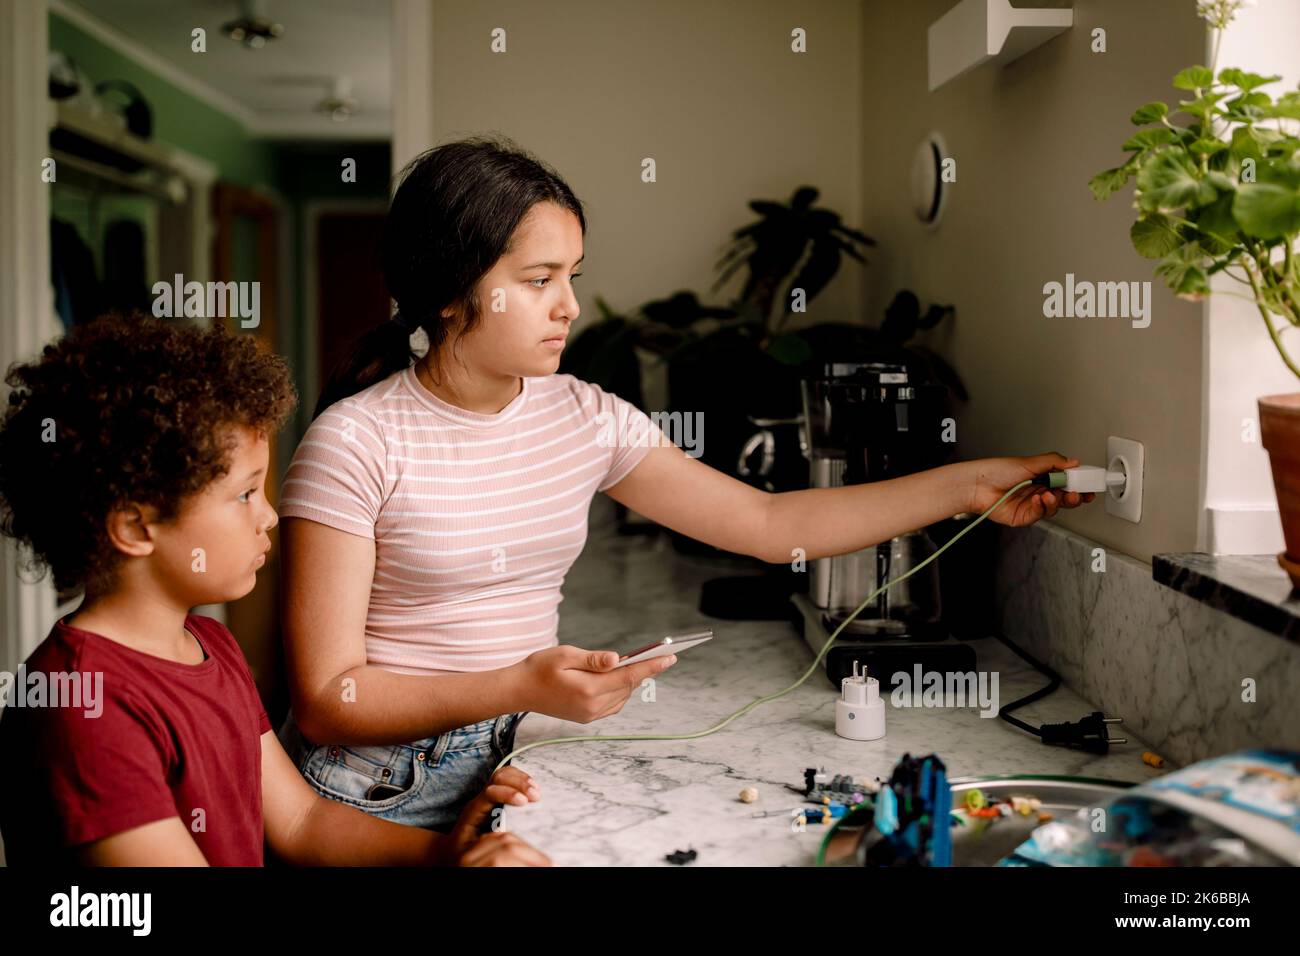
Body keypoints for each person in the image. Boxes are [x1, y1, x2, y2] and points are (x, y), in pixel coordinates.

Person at [277, 135, 1093, 831]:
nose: (571, 307)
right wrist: (521, 685)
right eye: (539, 280)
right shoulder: (356, 440)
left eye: (574, 275)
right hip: (376, 786)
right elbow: (326, 697)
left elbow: (770, 524)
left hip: (518, 751)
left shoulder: (586, 418)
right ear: (453, 293)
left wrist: (969, 487)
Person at [0, 314, 549, 866]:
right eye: (243, 495)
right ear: (136, 527)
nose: (268, 516)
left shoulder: (208, 643)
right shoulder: (83, 705)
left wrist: (450, 852)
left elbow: (302, 820)